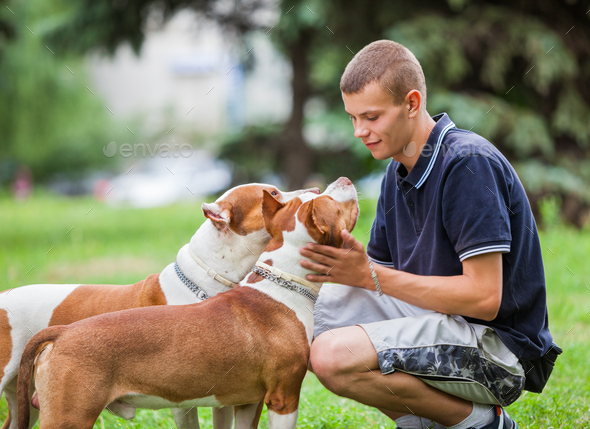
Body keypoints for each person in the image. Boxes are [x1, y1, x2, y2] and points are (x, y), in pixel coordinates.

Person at [299, 40, 557, 429]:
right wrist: (345, 263)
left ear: (412, 103)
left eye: (370, 117)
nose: (359, 131)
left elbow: (485, 299)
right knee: (302, 315)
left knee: (332, 356)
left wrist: (367, 274)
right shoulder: (395, 172)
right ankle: (429, 425)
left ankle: (485, 425)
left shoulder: (468, 164)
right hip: (437, 322)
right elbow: (378, 284)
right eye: (352, 118)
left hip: (499, 353)